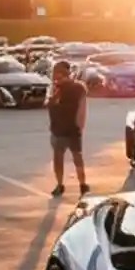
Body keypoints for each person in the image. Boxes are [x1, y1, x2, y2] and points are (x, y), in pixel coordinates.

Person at [47, 61, 90, 196]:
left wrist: (80, 126)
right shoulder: (58, 88)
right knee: (69, 158)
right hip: (63, 129)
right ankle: (76, 184)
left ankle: (72, 185)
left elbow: (81, 109)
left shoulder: (74, 88)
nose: (55, 76)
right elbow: (49, 103)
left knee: (68, 158)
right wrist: (80, 126)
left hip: (66, 129)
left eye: (57, 73)